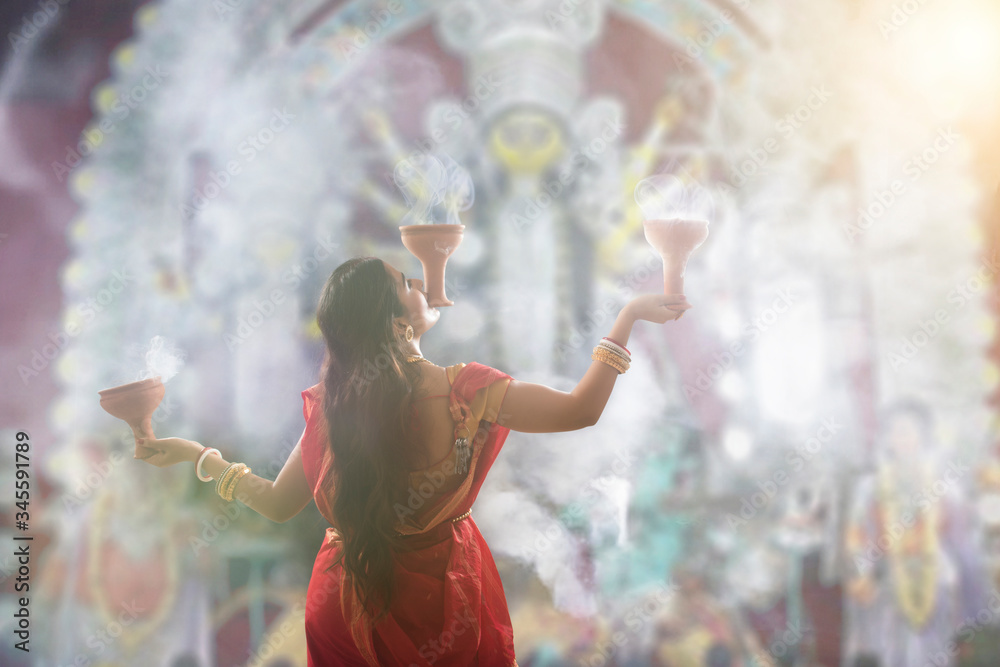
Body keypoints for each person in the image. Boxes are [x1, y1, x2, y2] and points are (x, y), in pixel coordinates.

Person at [135, 256, 690, 666]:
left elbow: (279, 505)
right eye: (407, 283)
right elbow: (580, 411)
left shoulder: (336, 407)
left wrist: (199, 458)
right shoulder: (466, 392)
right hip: (445, 600)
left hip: (346, 600)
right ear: (397, 323)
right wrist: (627, 319)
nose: (422, 283)